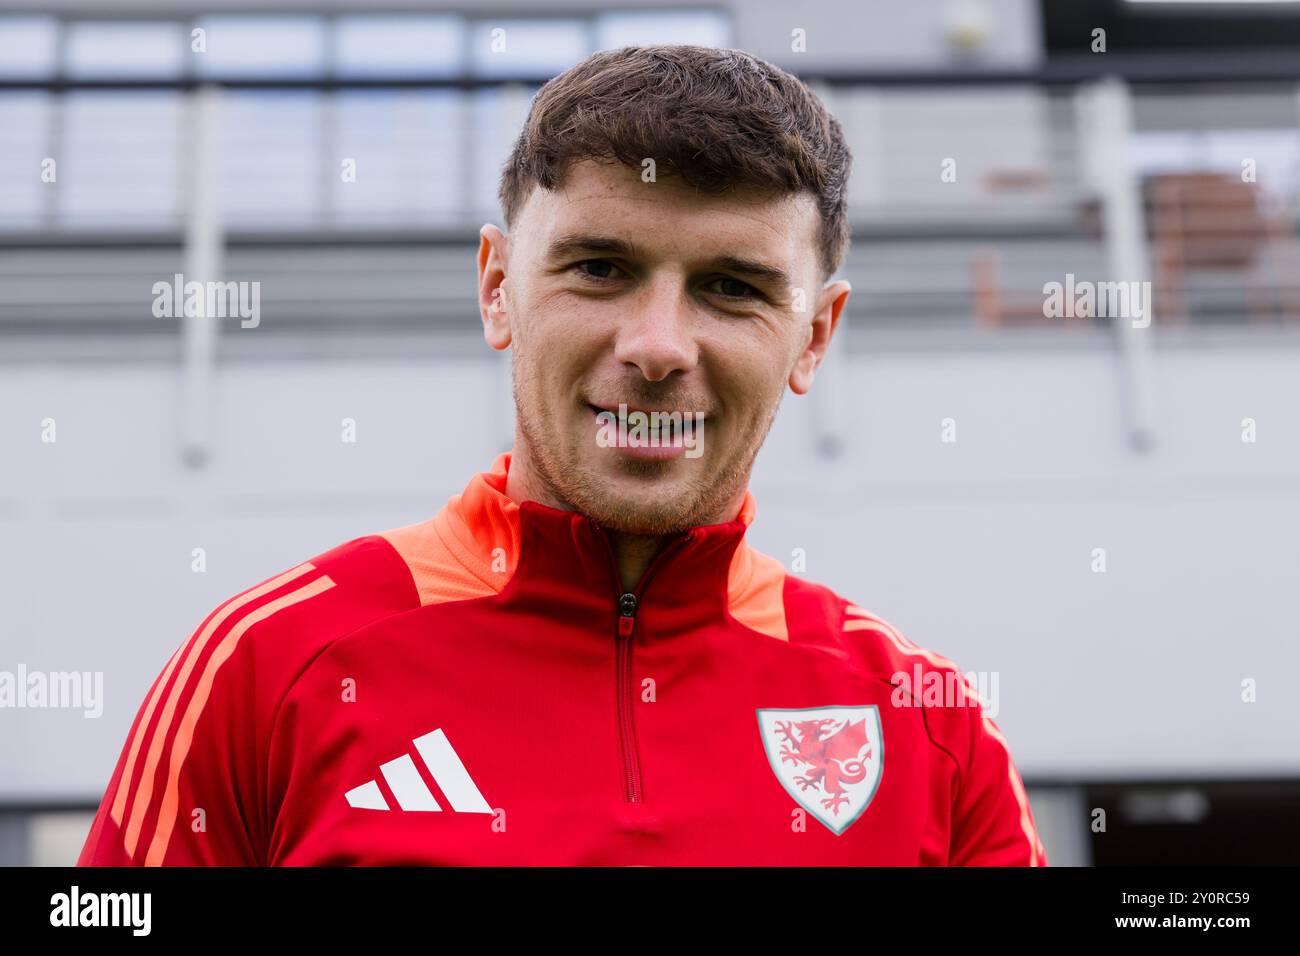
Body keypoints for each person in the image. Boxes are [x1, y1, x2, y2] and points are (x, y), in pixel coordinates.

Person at [79, 44, 1045, 866]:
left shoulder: (930, 731)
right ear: (498, 288)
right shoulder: (265, 669)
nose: (659, 345)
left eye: (732, 287)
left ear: (815, 338)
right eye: (600, 268)